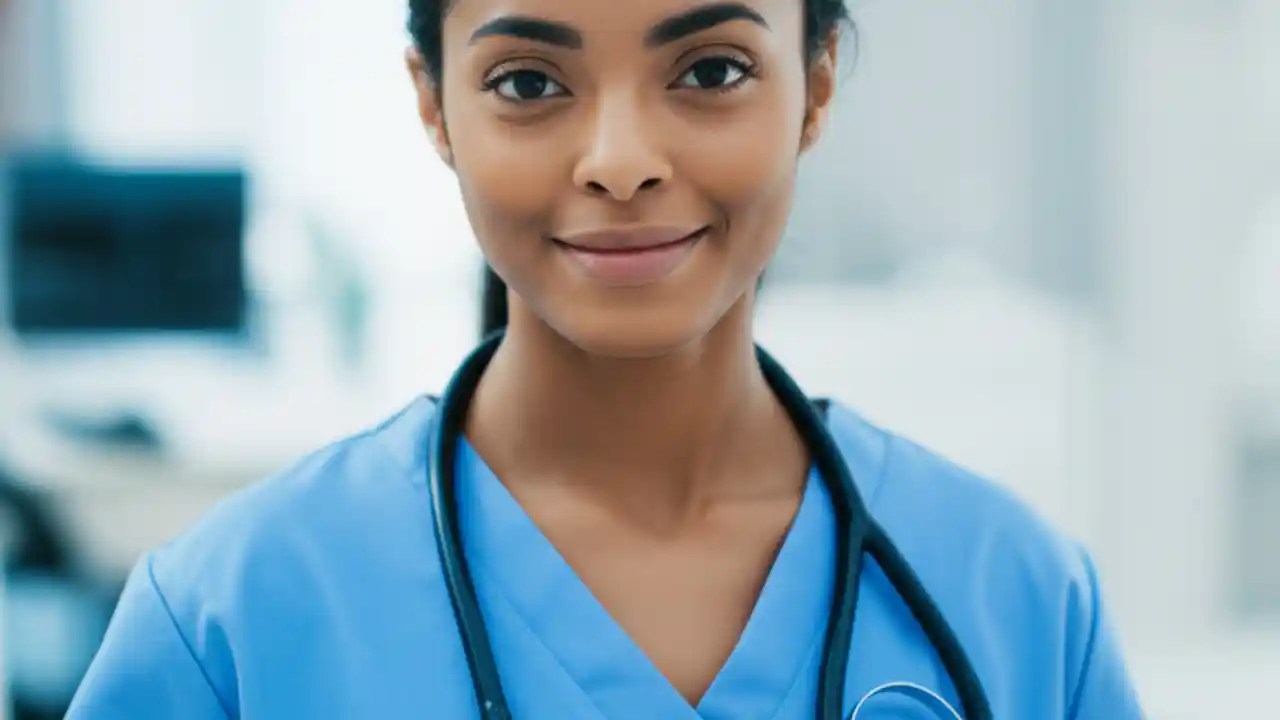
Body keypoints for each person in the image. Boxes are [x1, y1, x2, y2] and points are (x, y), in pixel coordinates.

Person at [67, 1, 1144, 717]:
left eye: (710, 69)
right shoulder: (231, 624)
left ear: (813, 89)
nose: (620, 162)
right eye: (529, 84)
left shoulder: (1018, 605)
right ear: (433, 104)